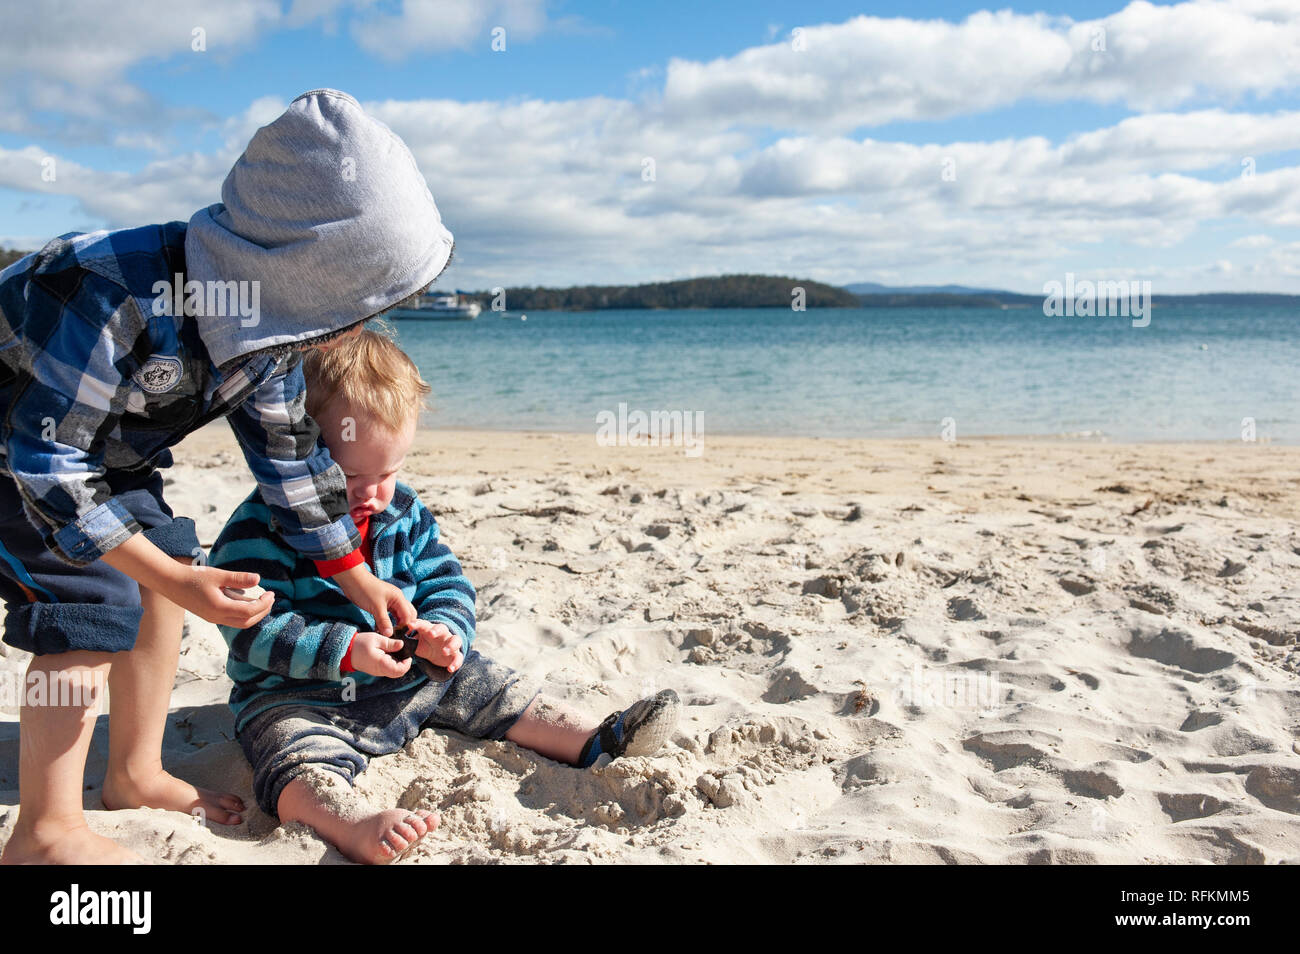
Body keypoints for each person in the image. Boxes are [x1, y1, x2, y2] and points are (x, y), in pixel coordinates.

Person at [0, 88, 452, 864]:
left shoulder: (266, 334)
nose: (357, 327)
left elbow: (291, 461)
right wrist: (171, 582)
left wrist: (354, 577)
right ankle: (45, 830)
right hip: (21, 454)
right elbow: (47, 463)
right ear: (298, 271)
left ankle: (135, 773)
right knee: (92, 599)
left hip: (100, 455)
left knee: (169, 558)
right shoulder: (120, 298)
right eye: (353, 302)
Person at [211, 327, 680, 863]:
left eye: (389, 470)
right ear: (298, 458)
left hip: (413, 679)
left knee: (494, 686)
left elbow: (447, 581)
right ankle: (352, 823)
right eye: (350, 474)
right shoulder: (261, 527)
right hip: (296, 696)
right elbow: (247, 630)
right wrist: (344, 649)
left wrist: (445, 633)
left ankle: (596, 739)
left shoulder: (400, 510)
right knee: (294, 760)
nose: (373, 492)